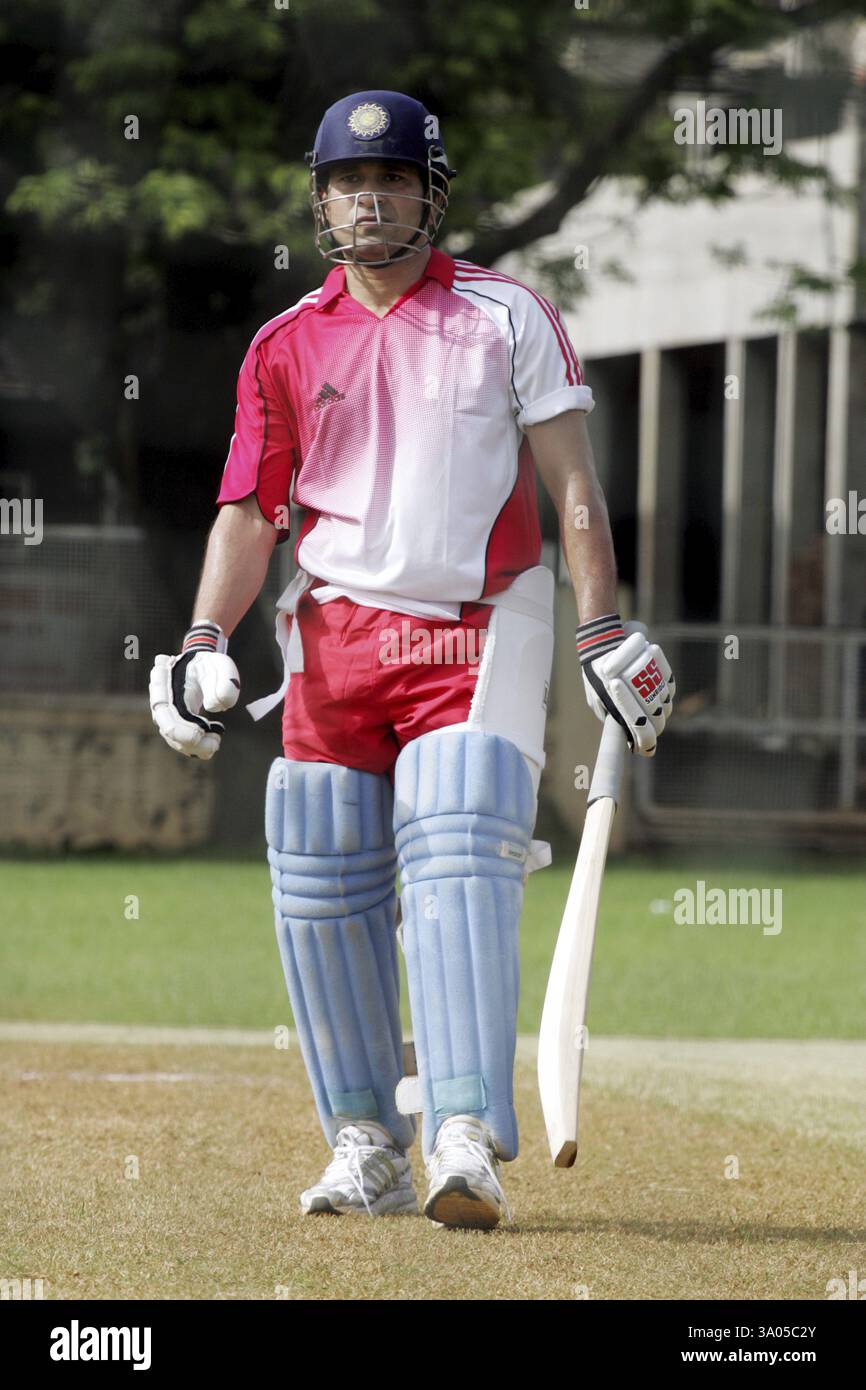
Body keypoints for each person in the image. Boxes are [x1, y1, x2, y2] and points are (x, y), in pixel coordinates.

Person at [149, 90, 675, 1230]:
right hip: (333, 630)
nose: (368, 199)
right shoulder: (286, 341)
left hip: (476, 619)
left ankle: (461, 1134)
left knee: (453, 850)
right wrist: (199, 638)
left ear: (429, 194)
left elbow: (571, 484)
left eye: (390, 181)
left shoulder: (504, 314)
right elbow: (251, 509)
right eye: (347, 182)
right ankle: (363, 1142)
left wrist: (602, 627)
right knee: (321, 872)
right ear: (321, 198)